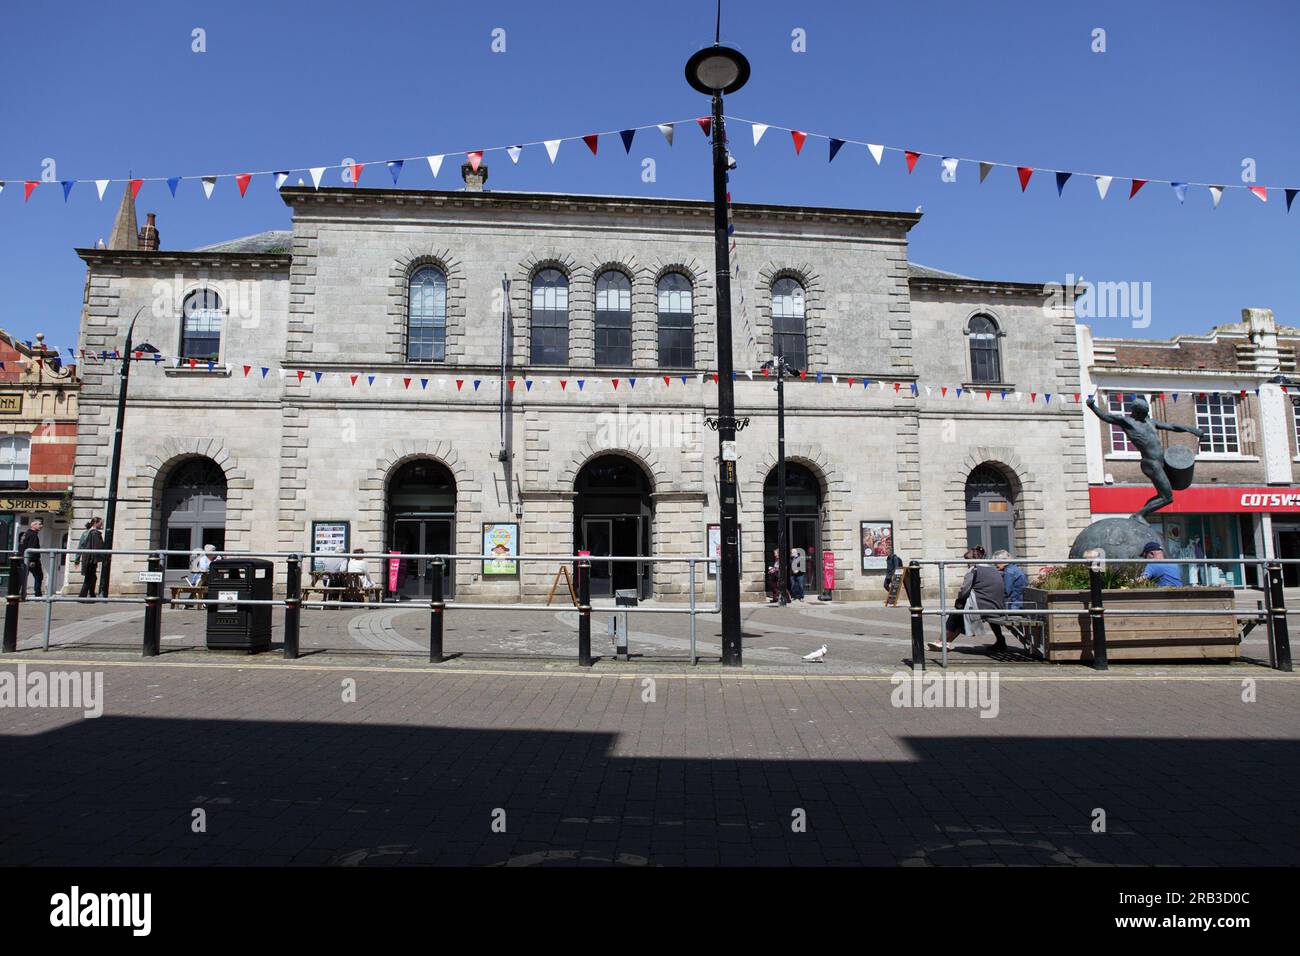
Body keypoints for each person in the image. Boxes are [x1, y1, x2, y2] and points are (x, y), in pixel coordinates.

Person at [1085, 396, 1206, 522]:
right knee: (1167, 497)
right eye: (1143, 412)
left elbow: (1171, 426)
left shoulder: (1150, 422)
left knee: (1163, 495)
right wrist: (1092, 406)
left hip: (1161, 462)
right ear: (1136, 412)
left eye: (1146, 412)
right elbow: (1106, 417)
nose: (1146, 414)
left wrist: (1191, 430)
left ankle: (1141, 514)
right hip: (1150, 463)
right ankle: (1139, 515)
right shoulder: (1127, 422)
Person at [928, 546, 1006, 653]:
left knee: (957, 613)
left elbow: (963, 591)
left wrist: (959, 600)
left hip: (982, 606)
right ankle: (1000, 640)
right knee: (963, 612)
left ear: (972, 560)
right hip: (998, 606)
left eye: (967, 561)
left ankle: (943, 641)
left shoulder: (974, 570)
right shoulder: (993, 568)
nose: (966, 564)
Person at [73, 517, 104, 599]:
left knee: (93, 577)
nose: (102, 524)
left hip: (87, 558)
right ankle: (82, 596)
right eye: (101, 523)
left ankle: (92, 594)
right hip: (90, 558)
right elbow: (82, 546)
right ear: (95, 523)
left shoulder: (86, 533)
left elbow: (80, 546)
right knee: (89, 577)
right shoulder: (94, 533)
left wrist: (77, 559)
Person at [17, 519, 43, 599]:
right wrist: (32, 560)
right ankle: (38, 594)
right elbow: (33, 548)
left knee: (22, 577)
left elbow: (21, 546)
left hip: (22, 558)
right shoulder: (33, 535)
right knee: (39, 576)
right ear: (34, 525)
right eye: (39, 524)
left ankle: (18, 593)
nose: (41, 526)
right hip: (31, 560)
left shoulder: (25, 534)